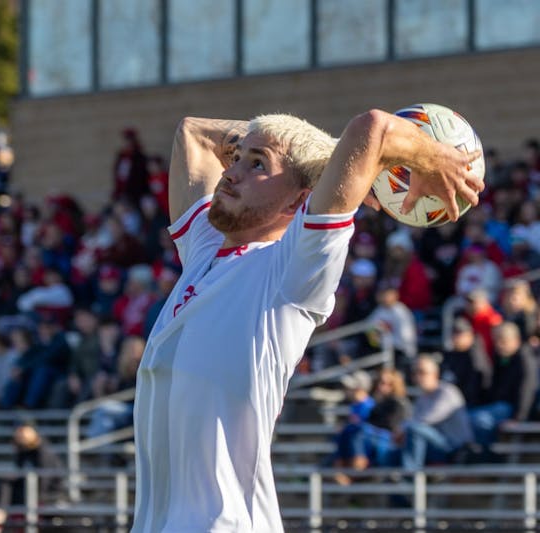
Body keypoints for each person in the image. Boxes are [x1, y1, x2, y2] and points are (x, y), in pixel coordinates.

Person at [132, 110, 482, 532]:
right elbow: (192, 133)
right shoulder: (204, 253)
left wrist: (430, 157)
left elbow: (373, 128)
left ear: (299, 201)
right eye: (238, 157)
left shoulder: (292, 272)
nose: (232, 172)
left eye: (257, 164)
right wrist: (284, 145)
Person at [402, 356, 476, 470]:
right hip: (436, 446)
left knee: (414, 429)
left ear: (435, 374)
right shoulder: (422, 398)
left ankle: (410, 478)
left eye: (422, 372)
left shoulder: (448, 391)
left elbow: (427, 418)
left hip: (456, 448)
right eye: (415, 373)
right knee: (389, 448)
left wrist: (401, 429)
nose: (417, 377)